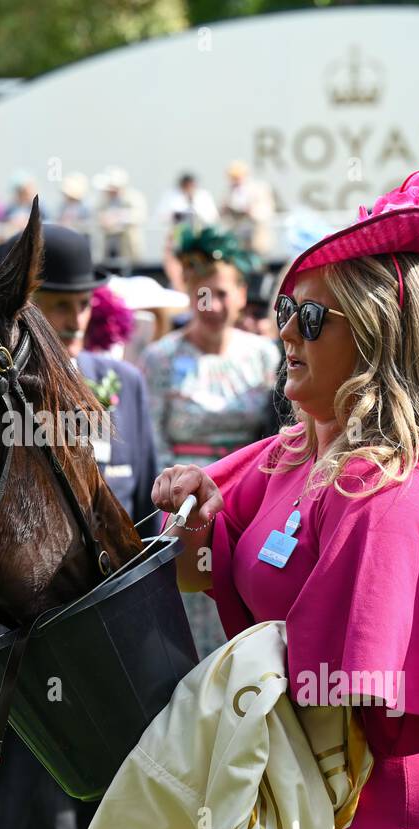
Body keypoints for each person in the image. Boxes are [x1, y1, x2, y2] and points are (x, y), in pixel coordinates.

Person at [152, 168, 419, 829]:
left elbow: (342, 692)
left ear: (375, 338)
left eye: (310, 318)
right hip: (312, 794)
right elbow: (199, 576)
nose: (285, 332)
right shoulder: (289, 454)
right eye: (284, 310)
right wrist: (195, 517)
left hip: (392, 820)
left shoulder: (393, 493)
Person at [0, 225, 157, 829]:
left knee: (98, 819)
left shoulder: (126, 384)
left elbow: (140, 508)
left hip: (102, 640)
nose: (74, 318)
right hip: (3, 645)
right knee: (6, 825)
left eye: (82, 304)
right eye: (58, 306)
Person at [141, 225, 279, 657]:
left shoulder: (264, 355)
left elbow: (276, 433)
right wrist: (175, 504)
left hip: (246, 500)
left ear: (241, 294)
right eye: (203, 294)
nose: (213, 305)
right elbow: (153, 440)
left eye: (222, 293)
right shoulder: (161, 357)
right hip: (183, 504)